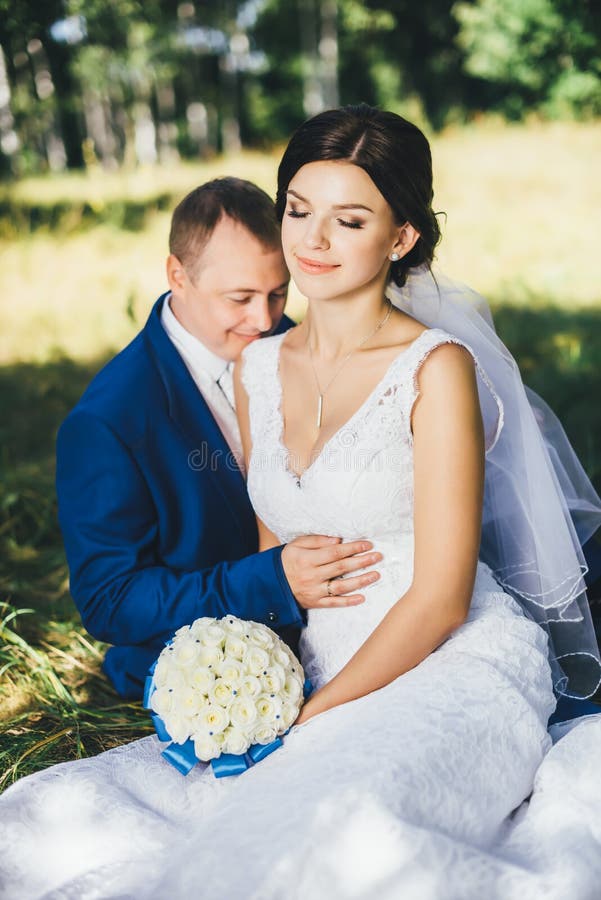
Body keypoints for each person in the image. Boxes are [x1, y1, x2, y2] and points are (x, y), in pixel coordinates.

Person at [1, 107, 601, 899]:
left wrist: (310, 717)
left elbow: (439, 599)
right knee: (76, 826)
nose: (312, 241)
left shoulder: (436, 369)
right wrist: (260, 682)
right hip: (315, 657)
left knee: (345, 832)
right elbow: (266, 550)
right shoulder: (257, 368)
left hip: (445, 658)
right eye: (298, 210)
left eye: (347, 220)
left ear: (400, 238)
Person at [55, 176, 383, 699]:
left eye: (278, 293)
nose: (265, 319)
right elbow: (111, 599)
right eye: (240, 298)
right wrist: (272, 581)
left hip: (354, 628)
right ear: (177, 276)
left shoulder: (292, 342)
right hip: (217, 676)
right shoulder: (109, 421)